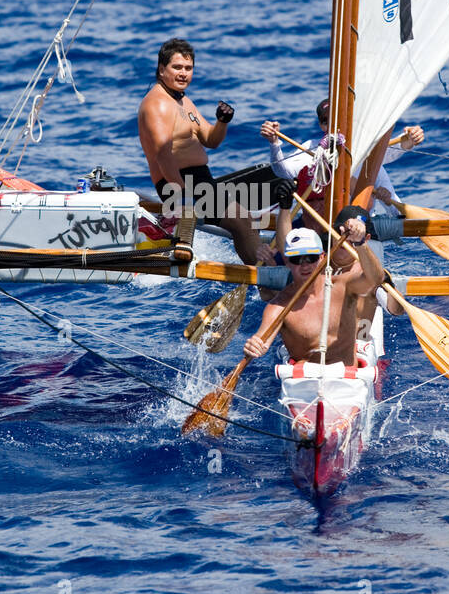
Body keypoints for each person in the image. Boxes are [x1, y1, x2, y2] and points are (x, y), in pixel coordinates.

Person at [138, 38, 260, 264]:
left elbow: (210, 140)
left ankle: (261, 268)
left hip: (198, 180)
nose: (183, 73)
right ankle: (265, 276)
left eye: (188, 68)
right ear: (162, 69)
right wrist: (180, 198)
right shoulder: (159, 104)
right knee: (241, 220)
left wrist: (222, 121)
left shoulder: (182, 101)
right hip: (181, 183)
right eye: (177, 67)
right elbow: (163, 154)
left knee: (246, 220)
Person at [242, 212, 385, 368]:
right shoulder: (278, 306)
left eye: (311, 258)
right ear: (287, 263)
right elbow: (262, 339)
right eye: (297, 259)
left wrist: (361, 244)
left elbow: (375, 279)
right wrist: (254, 346)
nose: (305, 265)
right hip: (304, 385)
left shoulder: (344, 287)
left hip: (349, 381)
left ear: (322, 257)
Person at [259, 98, 425, 216]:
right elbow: (283, 172)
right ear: (321, 125)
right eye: (326, 120)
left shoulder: (368, 157)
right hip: (318, 227)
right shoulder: (312, 149)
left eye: (337, 118)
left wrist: (409, 141)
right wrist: (274, 144)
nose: (332, 124)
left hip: (358, 228)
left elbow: (397, 213)